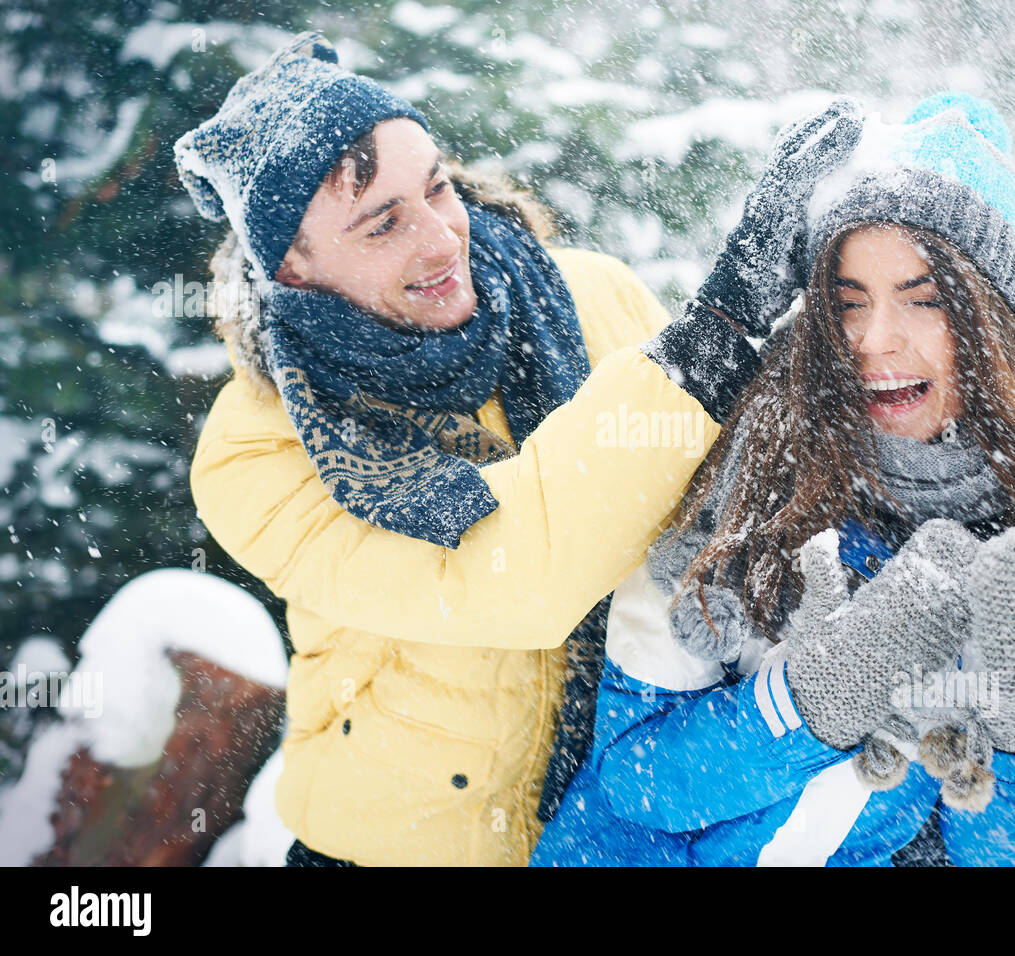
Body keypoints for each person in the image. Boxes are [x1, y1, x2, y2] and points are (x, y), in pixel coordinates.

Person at [176, 31, 866, 865]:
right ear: (290, 266)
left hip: (608, 834)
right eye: (383, 224)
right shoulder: (258, 447)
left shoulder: (590, 297)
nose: (440, 240)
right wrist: (716, 331)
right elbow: (514, 586)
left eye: (437, 189)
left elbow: (732, 489)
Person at [531, 92, 1015, 867]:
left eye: (925, 301)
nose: (873, 340)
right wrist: (807, 701)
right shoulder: (737, 472)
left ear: (991, 322)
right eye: (846, 303)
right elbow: (634, 787)